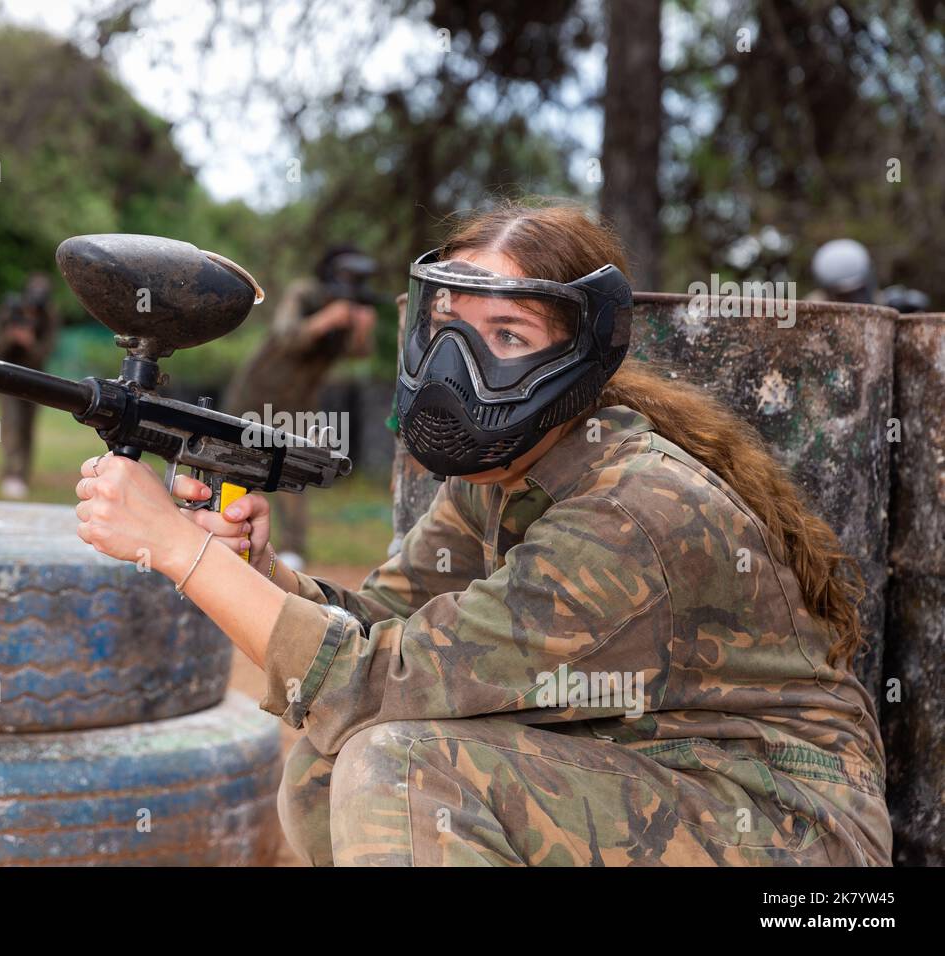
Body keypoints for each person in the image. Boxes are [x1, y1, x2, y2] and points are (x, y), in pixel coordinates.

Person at [72, 200, 892, 867]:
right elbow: (378, 631)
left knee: (396, 768)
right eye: (448, 327)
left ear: (578, 357)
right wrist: (250, 565)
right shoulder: (503, 476)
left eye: (507, 337)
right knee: (328, 768)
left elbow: (365, 681)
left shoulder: (629, 509)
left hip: (791, 834)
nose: (458, 365)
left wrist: (183, 552)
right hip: (649, 771)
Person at [222, 246, 378, 568]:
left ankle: (293, 551)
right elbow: (286, 335)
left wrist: (361, 329)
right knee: (235, 464)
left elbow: (358, 354)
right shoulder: (305, 293)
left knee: (292, 470)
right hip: (257, 392)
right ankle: (227, 532)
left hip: (298, 403)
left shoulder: (354, 308)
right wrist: (325, 320)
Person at [0, 273, 59, 499]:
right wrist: (12, 337)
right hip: (6, 378)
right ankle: (11, 474)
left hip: (34, 378)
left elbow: (45, 353)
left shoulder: (49, 317)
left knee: (27, 429)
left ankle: (22, 476)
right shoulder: (10, 310)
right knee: (11, 426)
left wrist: (29, 343)